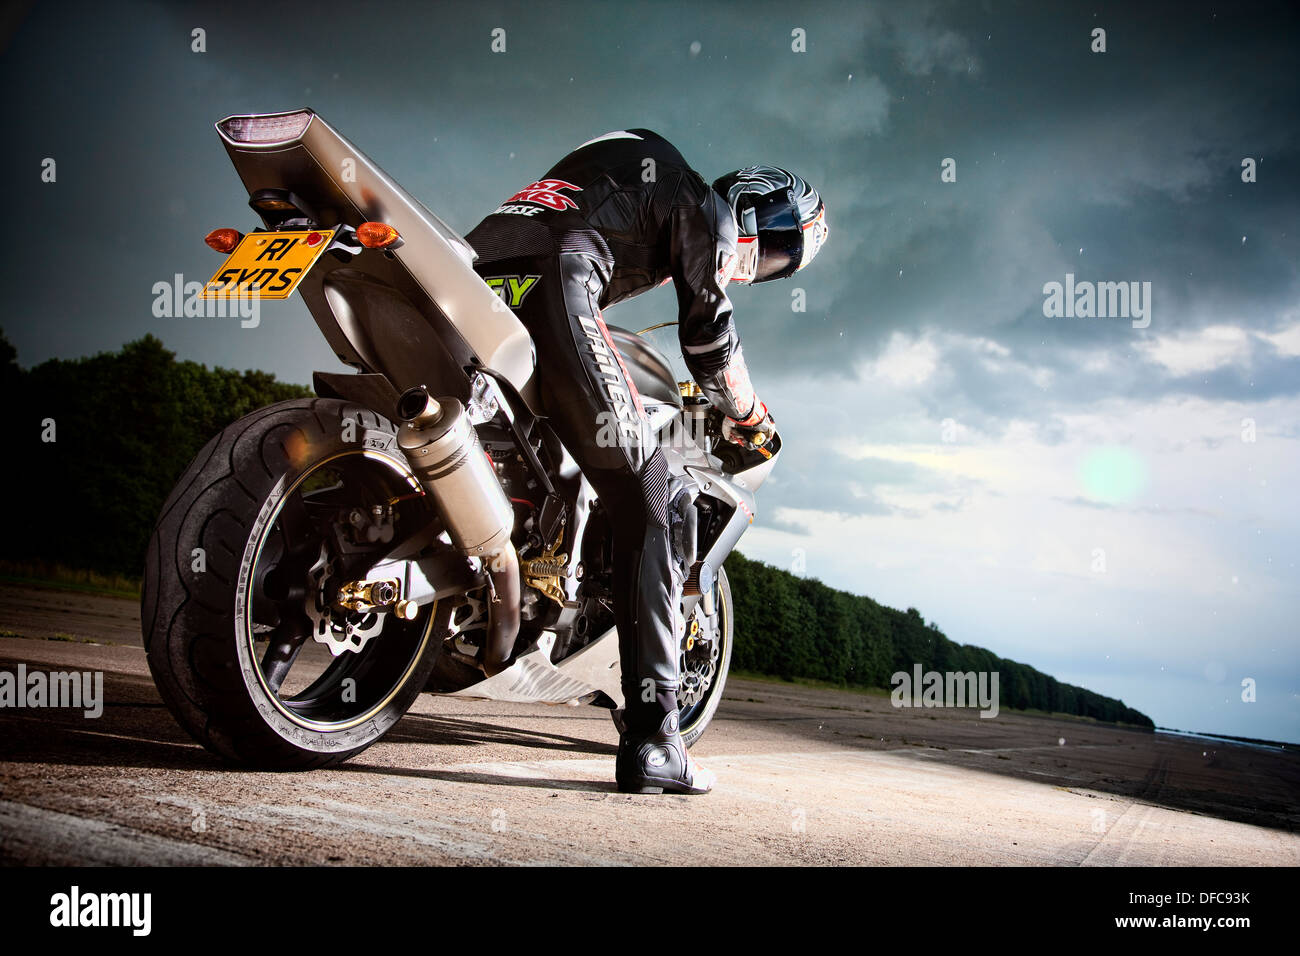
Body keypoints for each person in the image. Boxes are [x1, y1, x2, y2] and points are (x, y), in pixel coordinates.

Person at [466, 129, 828, 794]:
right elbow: (709, 335)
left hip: (474, 272)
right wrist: (749, 414)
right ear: (751, 209)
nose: (765, 264)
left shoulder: (634, 160)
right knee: (651, 491)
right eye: (778, 246)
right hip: (556, 276)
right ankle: (657, 739)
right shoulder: (701, 205)